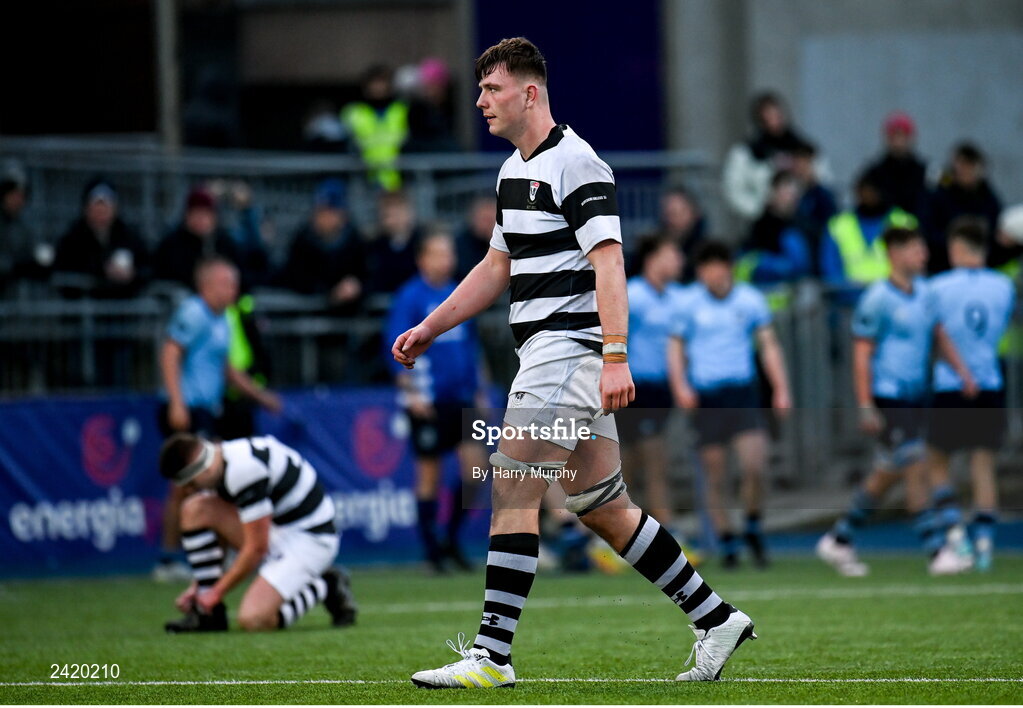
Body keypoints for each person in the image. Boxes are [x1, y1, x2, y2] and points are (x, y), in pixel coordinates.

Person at [393, 38, 756, 688]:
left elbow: (609, 262)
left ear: (528, 92)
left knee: (511, 482)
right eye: (478, 90)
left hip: (567, 352)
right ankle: (714, 617)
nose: (479, 102)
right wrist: (431, 324)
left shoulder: (577, 163)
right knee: (600, 506)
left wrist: (614, 356)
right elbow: (495, 268)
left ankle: (491, 656)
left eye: (491, 89)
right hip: (550, 355)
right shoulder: (511, 172)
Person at [815, 226, 976, 577]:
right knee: (914, 463)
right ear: (894, 254)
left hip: (918, 394)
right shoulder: (877, 298)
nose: (923, 254)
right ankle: (937, 551)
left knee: (888, 471)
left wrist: (962, 372)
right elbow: (862, 354)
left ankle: (840, 538)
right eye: (915, 249)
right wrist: (865, 403)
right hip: (889, 396)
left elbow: (938, 335)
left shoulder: (926, 292)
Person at [154, 257, 282, 582]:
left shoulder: (224, 317)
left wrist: (260, 396)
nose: (234, 290)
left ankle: (216, 556)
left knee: (213, 483)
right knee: (186, 485)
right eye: (227, 283)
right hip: (188, 408)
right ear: (207, 285)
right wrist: (177, 403)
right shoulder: (194, 312)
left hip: (208, 409)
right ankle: (168, 559)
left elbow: (227, 368)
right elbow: (170, 353)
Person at [667, 242, 792, 569]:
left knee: (755, 465)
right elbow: (676, 347)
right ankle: (726, 539)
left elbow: (769, 345)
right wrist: (680, 385)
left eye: (720, 266)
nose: (714, 274)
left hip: (742, 392)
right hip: (707, 397)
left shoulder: (750, 299)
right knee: (715, 474)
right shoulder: (688, 303)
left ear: (729, 268)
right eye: (707, 267)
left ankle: (752, 523)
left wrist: (780, 388)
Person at [159, 433, 357, 632]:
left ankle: (325, 584)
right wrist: (200, 587)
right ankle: (208, 616)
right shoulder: (220, 461)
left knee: (254, 619)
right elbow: (219, 541)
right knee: (194, 509)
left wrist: (216, 592)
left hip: (311, 539)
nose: (189, 490)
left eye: (191, 483)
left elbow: (257, 548)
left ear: (205, 469)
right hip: (280, 528)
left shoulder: (243, 471)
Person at [386, 231, 487, 573]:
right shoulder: (410, 297)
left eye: (448, 252)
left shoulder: (460, 292)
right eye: (438, 253)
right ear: (422, 259)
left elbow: (472, 347)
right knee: (429, 475)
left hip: (461, 398)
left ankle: (451, 539)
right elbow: (397, 348)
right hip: (427, 400)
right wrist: (411, 393)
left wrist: (479, 389)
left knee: (476, 470)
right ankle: (432, 551)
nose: (446, 259)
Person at [925, 218, 1016, 572]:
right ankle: (985, 546)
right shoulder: (1003, 286)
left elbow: (935, 336)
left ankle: (956, 536)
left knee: (937, 461)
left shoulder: (938, 286)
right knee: (983, 466)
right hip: (990, 383)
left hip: (951, 384)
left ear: (957, 248)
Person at [619, 236, 688, 528]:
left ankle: (638, 530)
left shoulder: (677, 297)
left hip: (663, 390)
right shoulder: (632, 294)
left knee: (645, 462)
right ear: (652, 258)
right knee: (645, 462)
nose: (679, 260)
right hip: (636, 389)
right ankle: (660, 529)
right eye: (672, 252)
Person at [722, 91, 828, 222]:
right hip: (765, 222)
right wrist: (760, 208)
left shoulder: (802, 148)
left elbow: (824, 178)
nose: (773, 122)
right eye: (767, 117)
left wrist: (808, 177)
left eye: (776, 115)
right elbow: (734, 191)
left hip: (806, 216)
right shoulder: (747, 153)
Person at [277, 178, 366, 313]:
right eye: (319, 211)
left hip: (348, 319)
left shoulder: (355, 241)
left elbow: (369, 276)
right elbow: (293, 278)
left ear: (342, 214)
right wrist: (329, 292)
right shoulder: (303, 240)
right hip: (307, 318)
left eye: (328, 211)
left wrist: (356, 287)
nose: (322, 217)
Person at [820, 171, 917, 293]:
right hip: (848, 302)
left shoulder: (904, 222)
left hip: (896, 299)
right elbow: (830, 271)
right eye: (865, 190)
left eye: (874, 190)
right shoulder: (839, 225)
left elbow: (916, 263)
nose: (869, 195)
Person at [52, 178, 150, 298]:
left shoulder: (129, 235)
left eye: (106, 207)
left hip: (122, 309)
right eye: (96, 207)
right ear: (86, 208)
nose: (101, 213)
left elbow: (147, 265)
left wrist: (133, 274)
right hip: (85, 307)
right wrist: (103, 270)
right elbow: (66, 267)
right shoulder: (73, 238)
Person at [924, 143, 1002, 274]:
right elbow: (927, 230)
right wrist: (955, 245)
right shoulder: (937, 195)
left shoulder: (988, 198)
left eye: (970, 165)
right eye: (961, 165)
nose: (965, 170)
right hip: (942, 269)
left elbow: (996, 233)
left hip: (981, 270)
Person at [737, 170, 812, 296]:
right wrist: (771, 264)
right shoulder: (760, 227)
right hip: (765, 294)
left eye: (794, 193)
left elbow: (804, 266)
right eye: (786, 192)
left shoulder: (804, 226)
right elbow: (747, 261)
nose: (790, 198)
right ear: (773, 192)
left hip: (795, 297)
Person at [154, 186, 241, 290]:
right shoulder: (171, 245)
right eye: (196, 214)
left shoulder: (225, 243)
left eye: (206, 214)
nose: (201, 220)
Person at [341, 64, 409, 191]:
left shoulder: (402, 109)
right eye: (374, 83)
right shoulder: (354, 111)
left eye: (382, 82)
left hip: (398, 179)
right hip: (365, 177)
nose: (378, 87)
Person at [862, 112, 928, 219]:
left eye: (901, 135)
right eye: (893, 136)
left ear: (910, 138)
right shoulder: (874, 173)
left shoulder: (926, 171)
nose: (897, 141)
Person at [364, 190, 423, 301]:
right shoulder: (374, 246)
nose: (393, 220)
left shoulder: (422, 242)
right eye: (388, 215)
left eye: (398, 213)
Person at [656, 187, 705, 282]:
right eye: (668, 214)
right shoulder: (653, 250)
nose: (673, 220)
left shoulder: (705, 250)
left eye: (678, 213)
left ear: (694, 213)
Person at [455, 194, 498, 280]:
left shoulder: (503, 241)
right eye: (485, 220)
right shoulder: (460, 243)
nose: (488, 225)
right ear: (474, 218)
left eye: (491, 220)